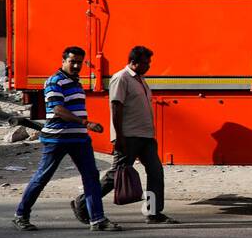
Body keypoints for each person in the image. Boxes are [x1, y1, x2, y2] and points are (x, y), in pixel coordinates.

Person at [14, 46, 121, 232]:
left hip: (79, 138)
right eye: (73, 61)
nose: (77, 65)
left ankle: (97, 219)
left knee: (91, 177)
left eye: (80, 62)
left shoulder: (76, 83)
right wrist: (85, 123)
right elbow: (58, 109)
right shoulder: (54, 81)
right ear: (63, 61)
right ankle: (21, 215)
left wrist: (82, 127)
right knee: (43, 177)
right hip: (57, 138)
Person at [70, 45, 175, 225]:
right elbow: (116, 107)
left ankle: (154, 212)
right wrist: (119, 137)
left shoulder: (140, 80)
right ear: (133, 63)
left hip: (146, 136)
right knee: (115, 176)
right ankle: (82, 203)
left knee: (156, 172)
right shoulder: (121, 78)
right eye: (145, 63)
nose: (148, 66)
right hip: (128, 136)